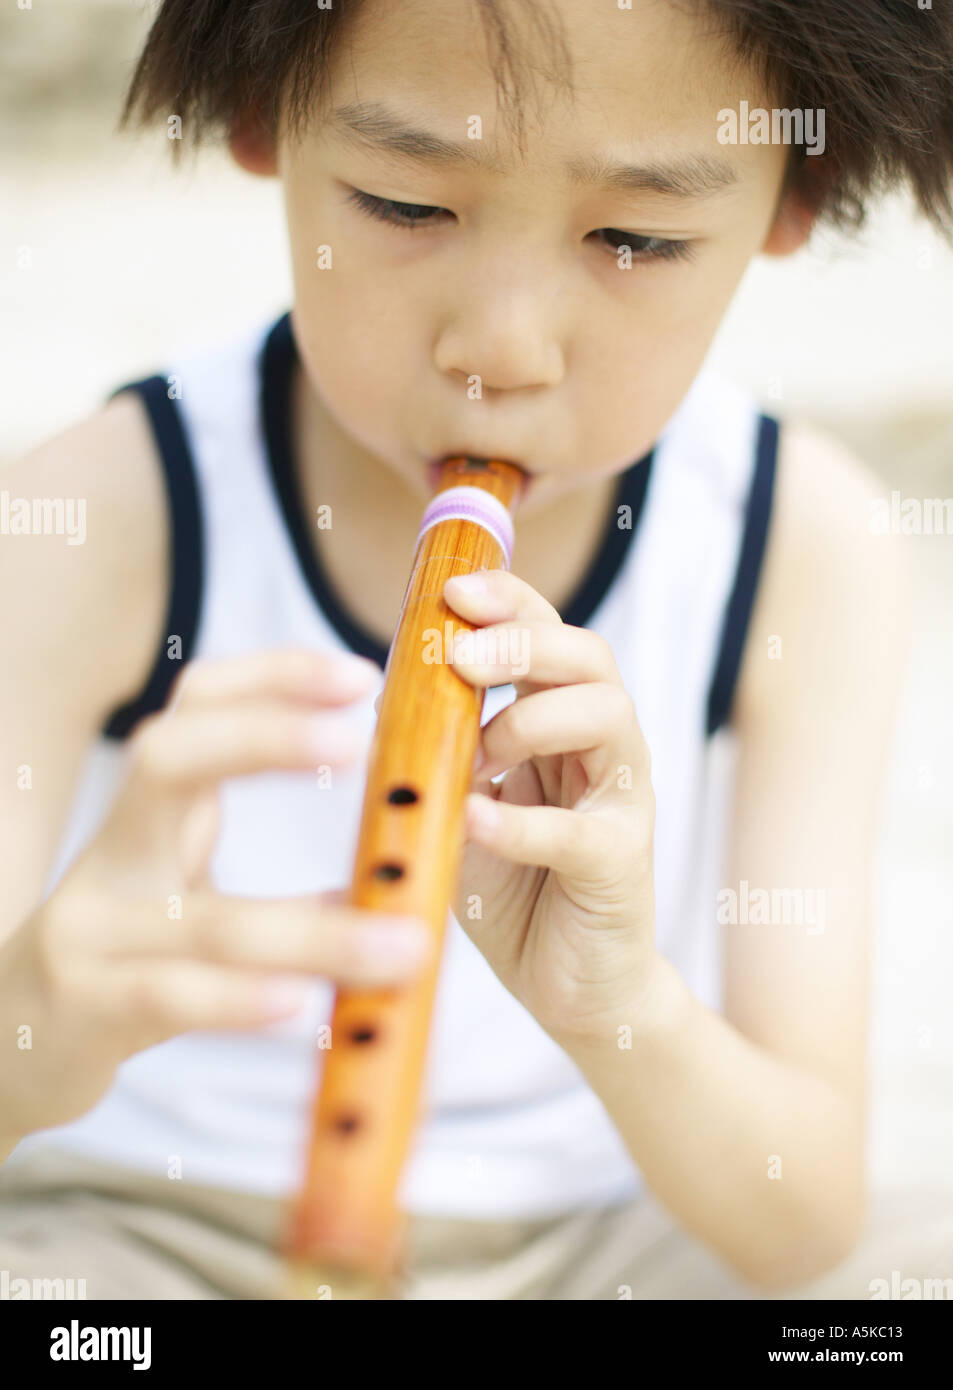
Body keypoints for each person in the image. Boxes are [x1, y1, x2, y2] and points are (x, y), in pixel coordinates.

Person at [0, 0, 948, 1301]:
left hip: (600, 1243)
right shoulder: (97, 516)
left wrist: (622, 1006)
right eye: (403, 203)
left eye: (635, 236)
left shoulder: (797, 541)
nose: (499, 347)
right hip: (134, 1238)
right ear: (259, 113)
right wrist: (40, 1022)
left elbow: (797, 1221)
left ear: (800, 188)